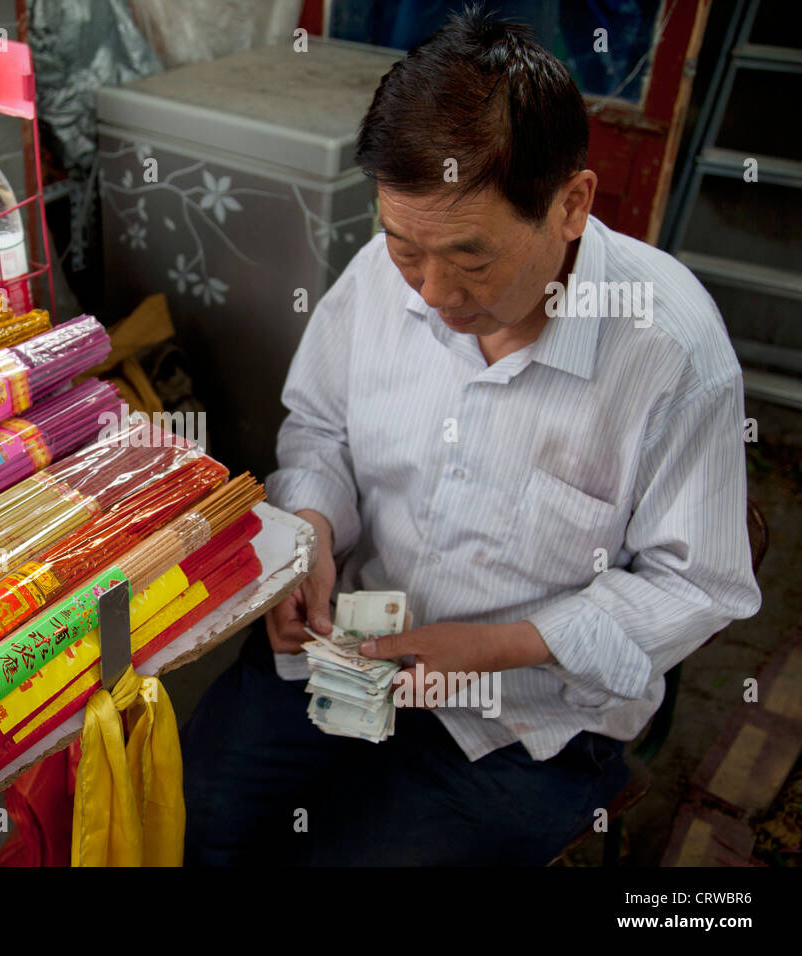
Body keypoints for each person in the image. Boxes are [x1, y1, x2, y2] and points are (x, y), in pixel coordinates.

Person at [181, 7, 762, 866]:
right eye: (404, 249)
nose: (431, 295)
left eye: (472, 259)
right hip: (345, 650)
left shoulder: (669, 350)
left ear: (572, 204)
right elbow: (321, 428)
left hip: (526, 715)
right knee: (190, 820)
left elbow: (700, 586)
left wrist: (495, 648)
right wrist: (311, 527)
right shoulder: (383, 278)